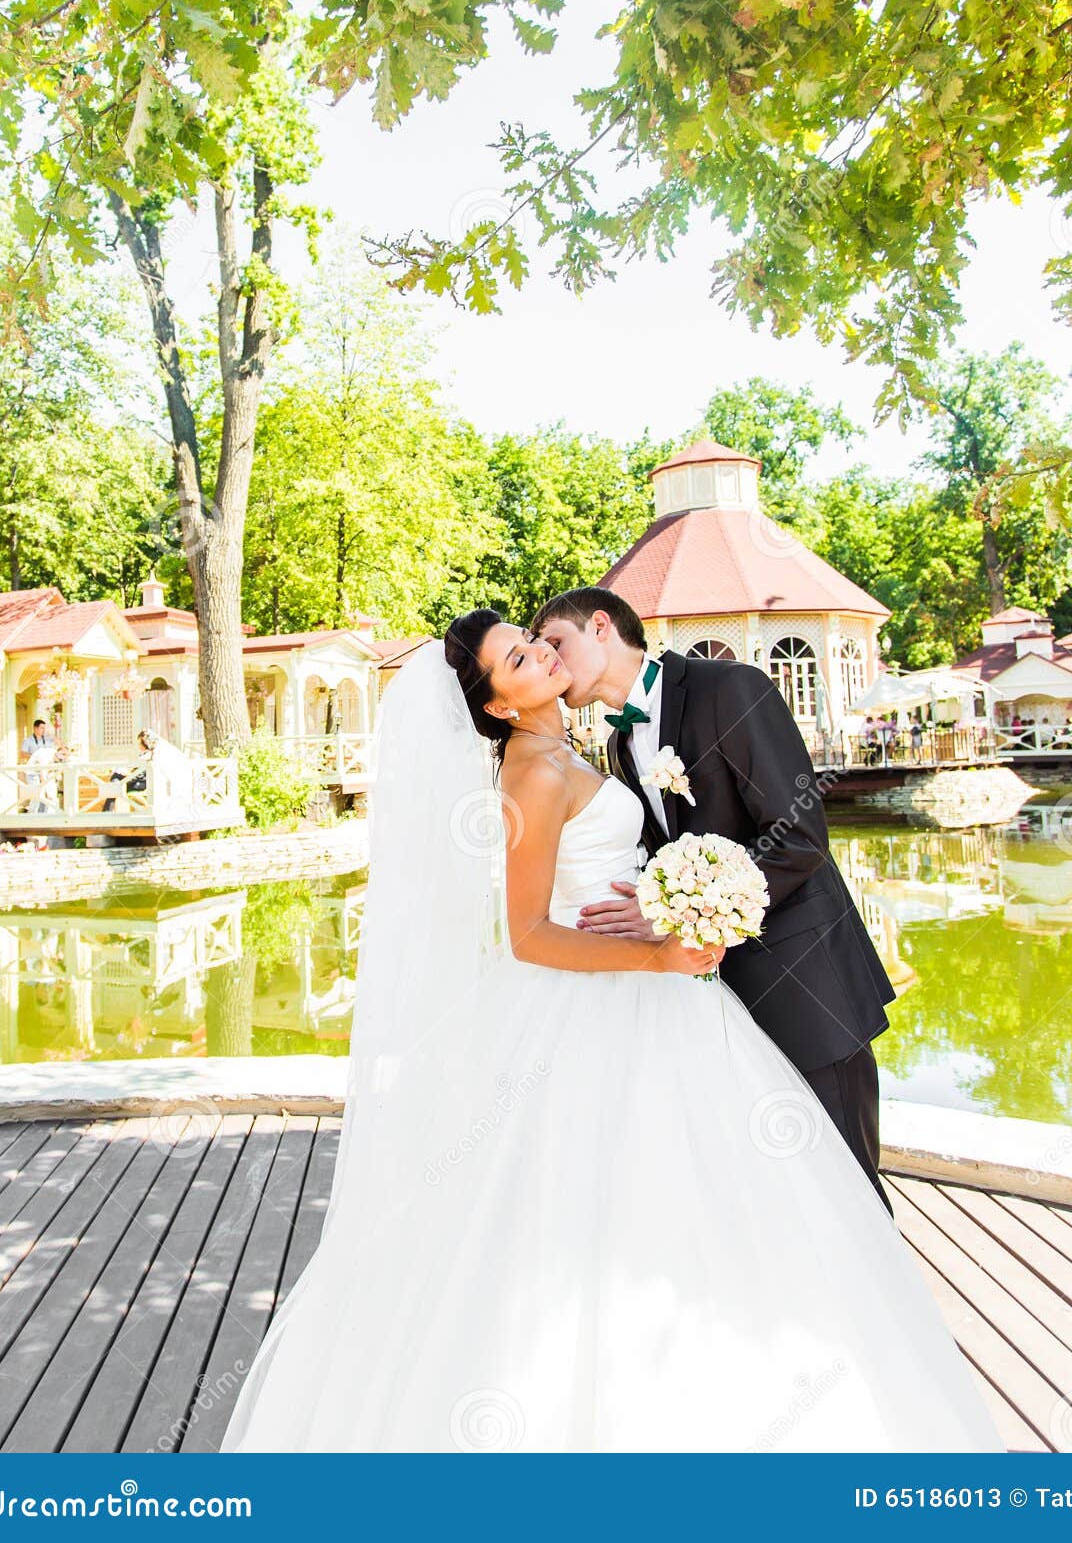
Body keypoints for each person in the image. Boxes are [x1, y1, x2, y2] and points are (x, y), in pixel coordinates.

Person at [218, 624, 1004, 1453]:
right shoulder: (530, 771)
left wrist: (679, 913)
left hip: (664, 991)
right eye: (518, 660)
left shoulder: (586, 748)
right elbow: (525, 933)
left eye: (530, 640)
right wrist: (665, 955)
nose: (539, 654)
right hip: (604, 1001)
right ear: (494, 703)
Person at [533, 587, 896, 1213]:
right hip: (719, 996)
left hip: (806, 979)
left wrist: (669, 911)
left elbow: (798, 838)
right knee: (784, 1184)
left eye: (556, 644)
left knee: (849, 1181)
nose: (551, 663)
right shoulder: (622, 745)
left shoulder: (730, 687)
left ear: (601, 627)